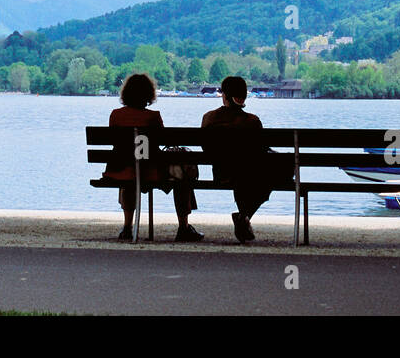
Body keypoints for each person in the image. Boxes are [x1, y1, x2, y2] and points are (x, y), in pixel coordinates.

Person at [102, 73, 202, 242]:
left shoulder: (116, 115)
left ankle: (127, 227)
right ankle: (183, 227)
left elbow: (118, 145)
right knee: (182, 176)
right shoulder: (153, 117)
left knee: (130, 172)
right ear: (149, 94)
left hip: (121, 171)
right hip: (152, 172)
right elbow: (162, 142)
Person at [201, 75, 283, 243]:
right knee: (267, 175)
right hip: (250, 175)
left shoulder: (209, 118)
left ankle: (243, 217)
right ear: (243, 96)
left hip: (222, 173)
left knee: (244, 175)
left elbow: (205, 148)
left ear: (224, 95)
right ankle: (243, 216)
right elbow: (260, 150)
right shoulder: (252, 121)